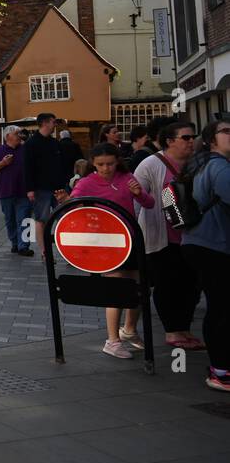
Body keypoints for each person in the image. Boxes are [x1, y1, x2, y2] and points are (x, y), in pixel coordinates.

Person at [70, 143, 154, 359]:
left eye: (110, 163)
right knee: (116, 288)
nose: (106, 168)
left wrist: (139, 194)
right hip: (106, 243)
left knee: (139, 287)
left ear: (118, 161)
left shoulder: (126, 178)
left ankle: (129, 330)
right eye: (100, 165)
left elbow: (150, 203)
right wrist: (69, 203)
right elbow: (74, 206)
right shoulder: (87, 183)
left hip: (130, 238)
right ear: (93, 164)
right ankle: (112, 340)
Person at [133, 120, 204, 352]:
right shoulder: (150, 164)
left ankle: (184, 329)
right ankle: (173, 331)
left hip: (193, 235)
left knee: (191, 285)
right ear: (169, 141)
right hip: (161, 236)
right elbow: (135, 200)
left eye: (193, 137)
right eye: (186, 137)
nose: (191, 141)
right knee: (168, 284)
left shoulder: (198, 162)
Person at [181, 119, 230, 391]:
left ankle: (220, 366)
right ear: (212, 139)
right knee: (222, 309)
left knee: (218, 307)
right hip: (215, 244)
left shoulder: (199, 163)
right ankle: (220, 370)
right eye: (226, 131)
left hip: (198, 241)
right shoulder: (220, 167)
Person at [25, 113, 68, 258]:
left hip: (58, 188)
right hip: (40, 188)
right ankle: (45, 252)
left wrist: (65, 183)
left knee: (64, 219)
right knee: (41, 219)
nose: (55, 124)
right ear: (44, 123)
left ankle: (68, 251)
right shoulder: (31, 144)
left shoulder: (55, 143)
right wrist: (30, 189)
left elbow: (62, 165)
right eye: (53, 122)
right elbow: (27, 167)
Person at [0, 125, 33, 256]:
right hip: (6, 191)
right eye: (17, 133)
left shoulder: (26, 149)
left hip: (24, 191)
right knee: (10, 220)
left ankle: (24, 246)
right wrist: (3, 163)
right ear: (8, 136)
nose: (19, 136)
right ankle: (14, 243)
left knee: (24, 220)